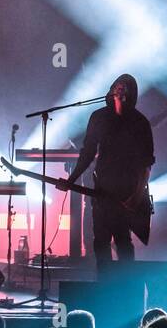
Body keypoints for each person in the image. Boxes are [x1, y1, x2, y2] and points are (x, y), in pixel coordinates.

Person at [58, 74, 155, 269]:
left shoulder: (139, 122)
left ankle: (127, 289)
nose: (119, 92)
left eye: (124, 89)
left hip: (127, 191)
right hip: (101, 189)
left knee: (123, 242)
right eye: (116, 88)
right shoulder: (99, 117)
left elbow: (146, 164)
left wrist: (136, 196)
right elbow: (87, 153)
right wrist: (72, 179)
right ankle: (105, 286)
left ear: (131, 94)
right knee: (100, 241)